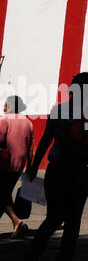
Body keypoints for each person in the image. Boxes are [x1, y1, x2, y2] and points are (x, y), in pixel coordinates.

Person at [22, 72, 88, 261]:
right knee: (74, 219)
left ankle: (34, 254)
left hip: (58, 168)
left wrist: (34, 166)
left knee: (54, 217)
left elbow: (46, 140)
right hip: (84, 169)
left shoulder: (59, 111)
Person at [0, 95, 33, 236]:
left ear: (10, 106)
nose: (4, 107)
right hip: (19, 165)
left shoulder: (4, 120)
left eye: (5, 104)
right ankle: (16, 221)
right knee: (4, 193)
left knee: (2, 194)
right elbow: (30, 148)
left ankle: (16, 220)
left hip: (4, 164)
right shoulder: (28, 123)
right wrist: (31, 167)